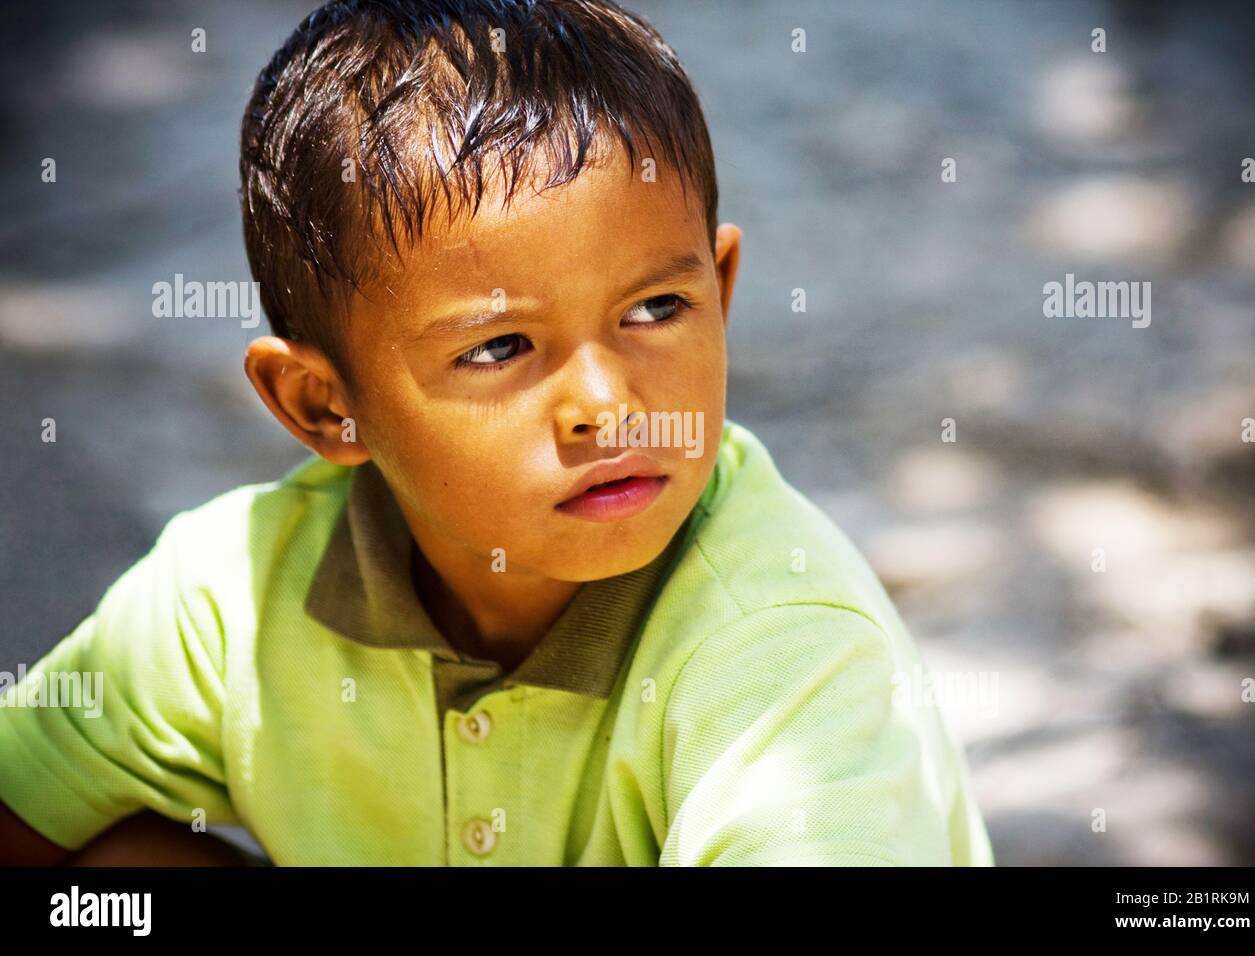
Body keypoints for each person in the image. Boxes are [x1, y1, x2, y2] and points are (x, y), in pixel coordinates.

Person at [0, 0, 994, 866]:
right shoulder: (232, 606)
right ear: (320, 405)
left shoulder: (780, 643)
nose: (607, 404)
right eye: (502, 345)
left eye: (654, 308)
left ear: (720, 292)